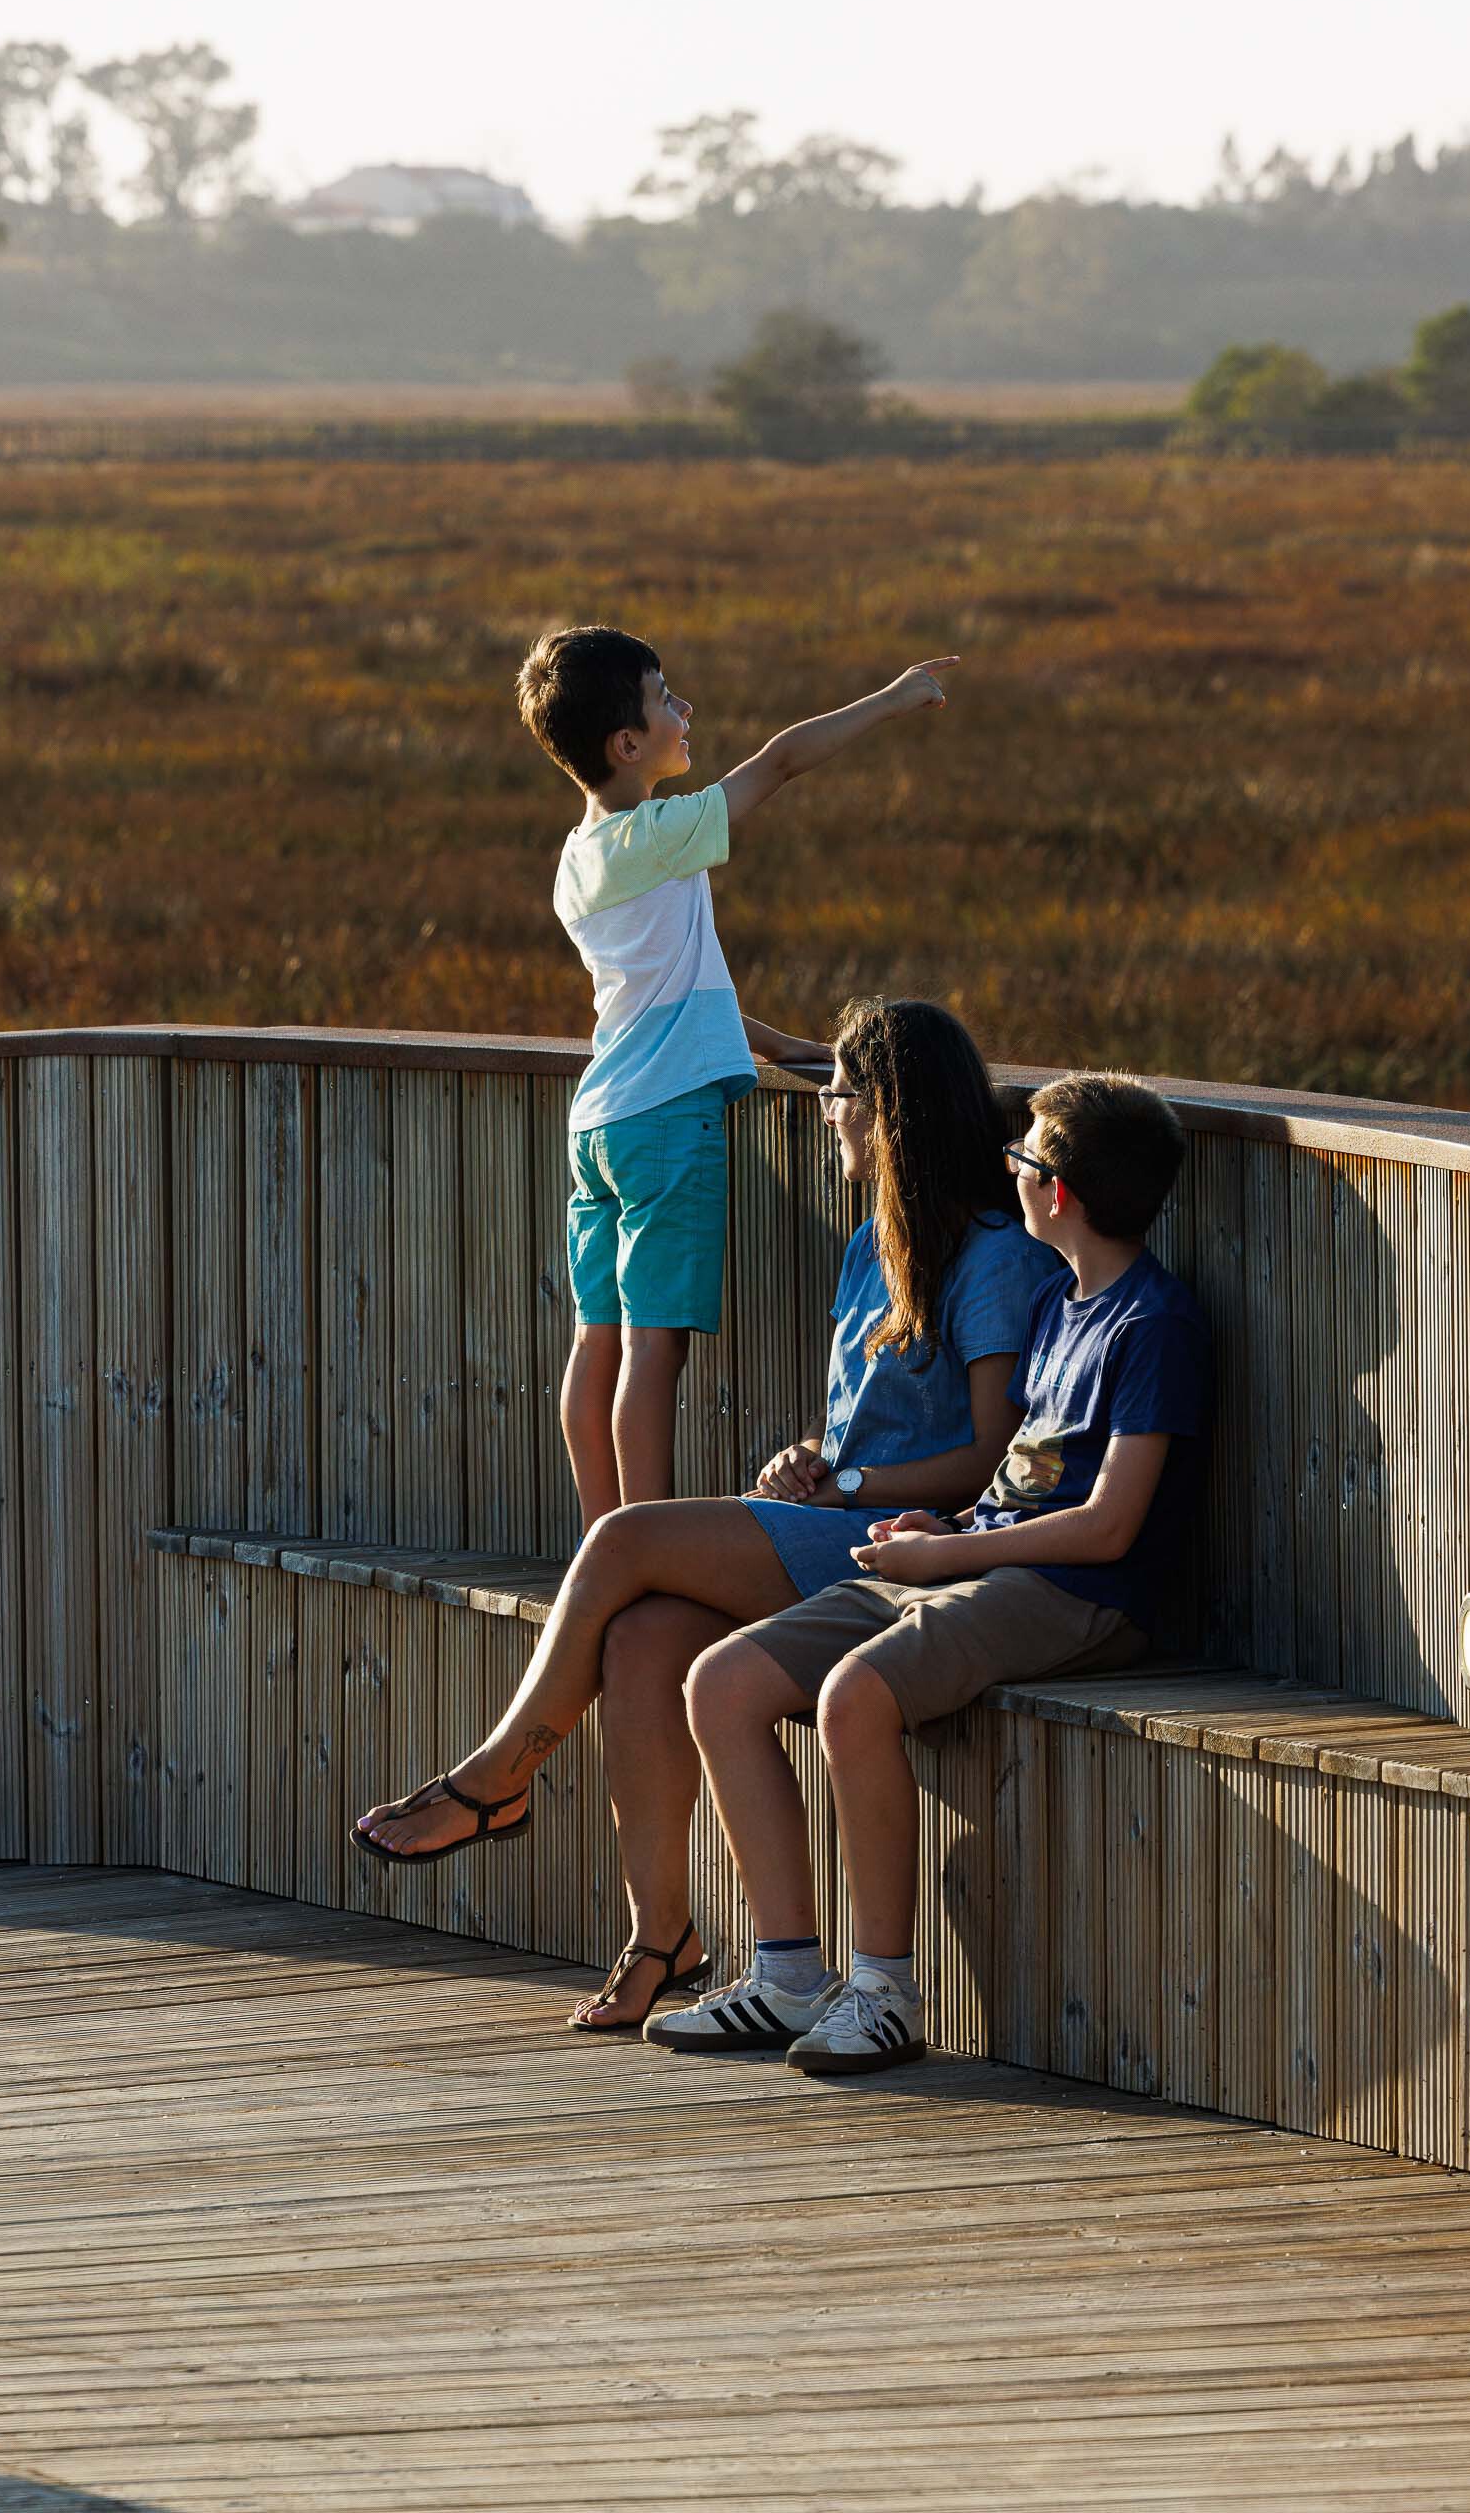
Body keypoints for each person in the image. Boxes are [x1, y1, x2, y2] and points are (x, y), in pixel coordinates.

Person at [351, 998, 1053, 2032]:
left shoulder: (995, 1253)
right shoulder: (873, 1244)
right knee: (641, 1636)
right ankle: (682, 1943)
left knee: (622, 1538)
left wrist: (853, 1490)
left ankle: (498, 1773)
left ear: (891, 1113)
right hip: (845, 1523)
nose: (825, 1111)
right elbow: (876, 1428)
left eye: (842, 1092)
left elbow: (985, 1456)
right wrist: (815, 1461)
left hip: (915, 1548)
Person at [656, 1070, 1211, 2073]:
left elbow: (1104, 1525)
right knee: (721, 1681)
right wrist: (943, 1521)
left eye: (1024, 1156)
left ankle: (883, 1991)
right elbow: (1023, 1477)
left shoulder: (1150, 1326)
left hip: (1078, 1595)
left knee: (853, 1694)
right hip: (980, 1557)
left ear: (1058, 1195)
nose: (1009, 1167)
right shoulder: (1061, 1306)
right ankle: (785, 1976)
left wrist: (951, 1550)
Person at [517, 623, 958, 1527]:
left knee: (593, 1344)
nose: (686, 710)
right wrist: (896, 694)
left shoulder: (577, 860)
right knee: (654, 1351)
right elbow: (784, 761)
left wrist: (783, 1045)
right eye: (664, 698)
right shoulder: (660, 835)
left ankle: (603, 1539)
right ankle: (643, 1545)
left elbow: (668, 993)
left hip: (600, 1122)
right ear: (627, 745)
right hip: (666, 1125)